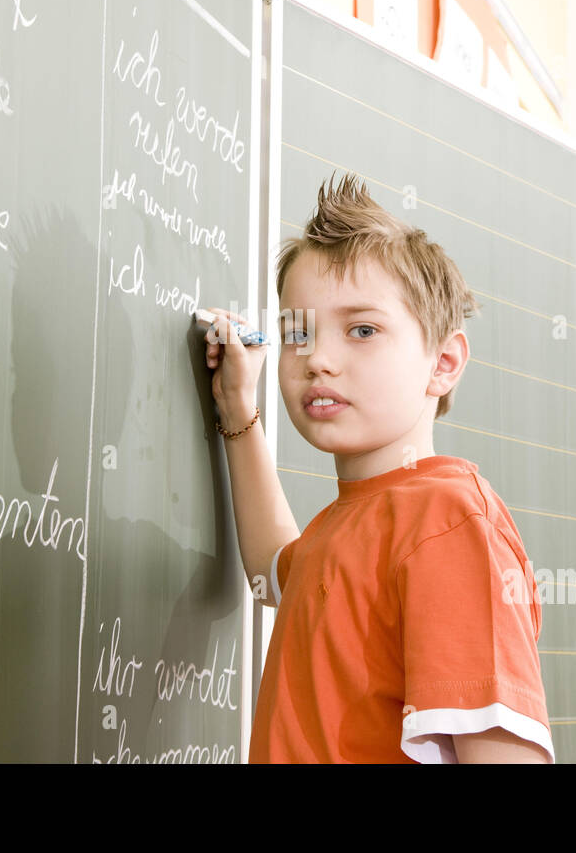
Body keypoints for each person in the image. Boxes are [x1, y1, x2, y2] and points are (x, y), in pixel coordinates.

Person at [202, 172, 553, 763]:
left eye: (362, 330)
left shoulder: (447, 522)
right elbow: (271, 573)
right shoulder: (347, 522)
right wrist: (239, 408)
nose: (318, 358)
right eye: (297, 333)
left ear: (443, 363)